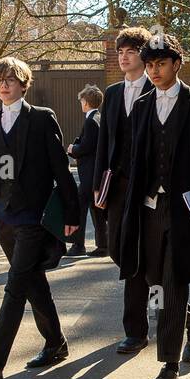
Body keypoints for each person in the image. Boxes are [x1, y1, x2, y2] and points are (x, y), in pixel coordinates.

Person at [0, 57, 81, 379]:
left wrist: (73, 216)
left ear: (24, 84)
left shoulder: (41, 119)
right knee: (33, 282)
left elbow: (60, 170)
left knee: (15, 286)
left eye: (11, 79)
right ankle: (56, 343)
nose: (4, 85)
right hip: (4, 219)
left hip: (33, 220)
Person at [118, 33, 190, 379]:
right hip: (149, 207)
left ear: (177, 64)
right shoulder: (142, 105)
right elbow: (135, 159)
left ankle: (168, 366)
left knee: (173, 278)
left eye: (160, 63)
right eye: (149, 65)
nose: (153, 70)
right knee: (154, 282)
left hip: (184, 209)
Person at [92, 27, 154, 350]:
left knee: (142, 257)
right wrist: (96, 186)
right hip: (116, 185)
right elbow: (104, 142)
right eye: (120, 51)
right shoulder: (112, 93)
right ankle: (188, 319)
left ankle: (135, 330)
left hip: (146, 188)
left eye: (130, 51)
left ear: (142, 55)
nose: (123, 56)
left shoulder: (157, 90)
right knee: (118, 249)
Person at [67, 84, 108, 256]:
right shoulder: (98, 118)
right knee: (96, 209)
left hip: (89, 174)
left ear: (85, 102)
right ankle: (103, 245)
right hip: (95, 174)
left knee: (79, 207)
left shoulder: (91, 121)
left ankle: (78, 245)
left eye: (81, 101)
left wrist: (72, 149)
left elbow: (87, 146)